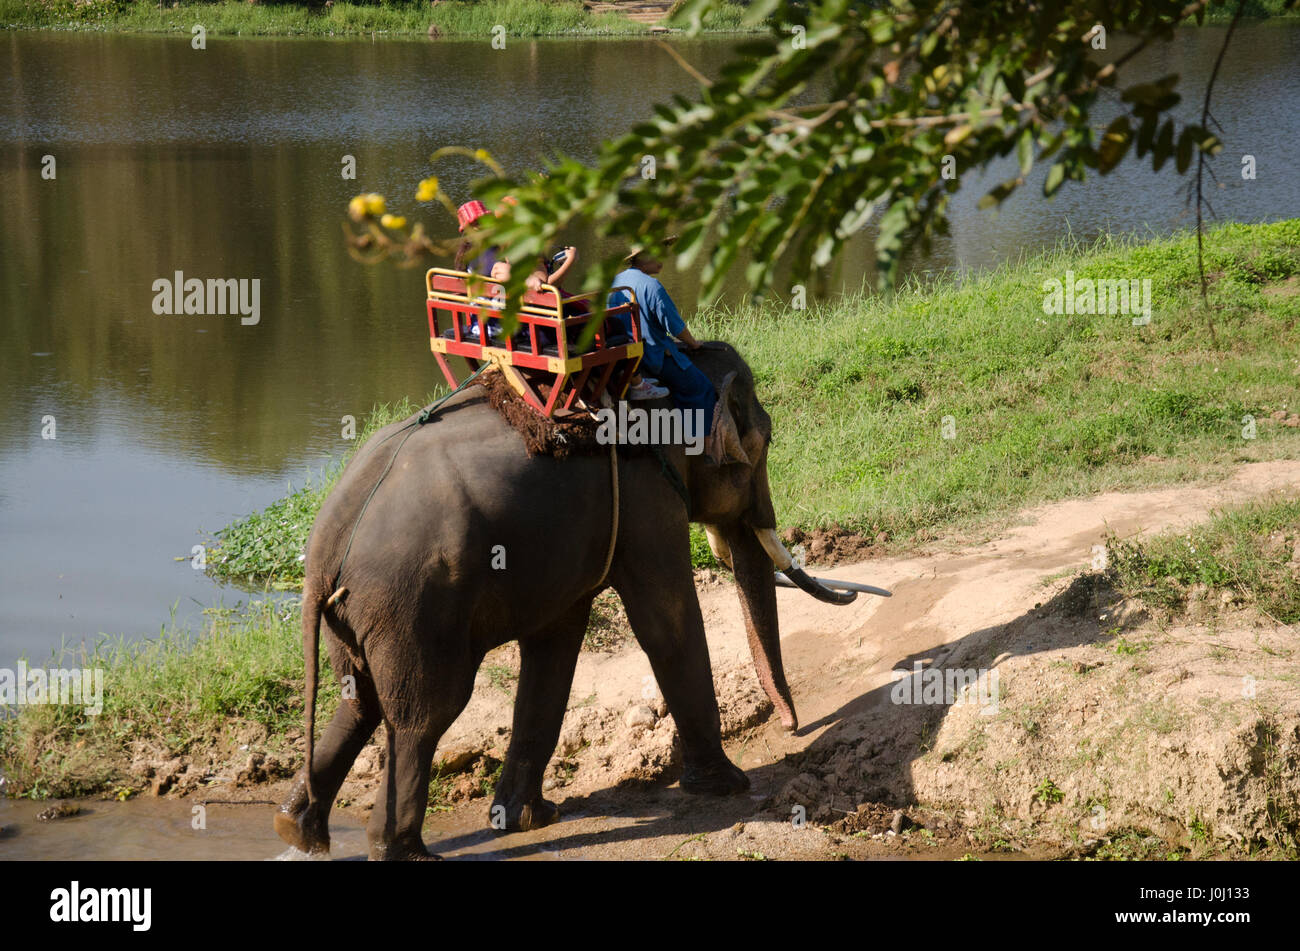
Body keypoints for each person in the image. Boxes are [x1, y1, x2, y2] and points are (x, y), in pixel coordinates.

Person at [609, 244, 712, 412]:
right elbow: (675, 327)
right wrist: (693, 344)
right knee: (701, 389)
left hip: (624, 355)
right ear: (642, 259)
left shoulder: (614, 281)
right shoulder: (652, 285)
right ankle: (699, 436)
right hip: (650, 357)